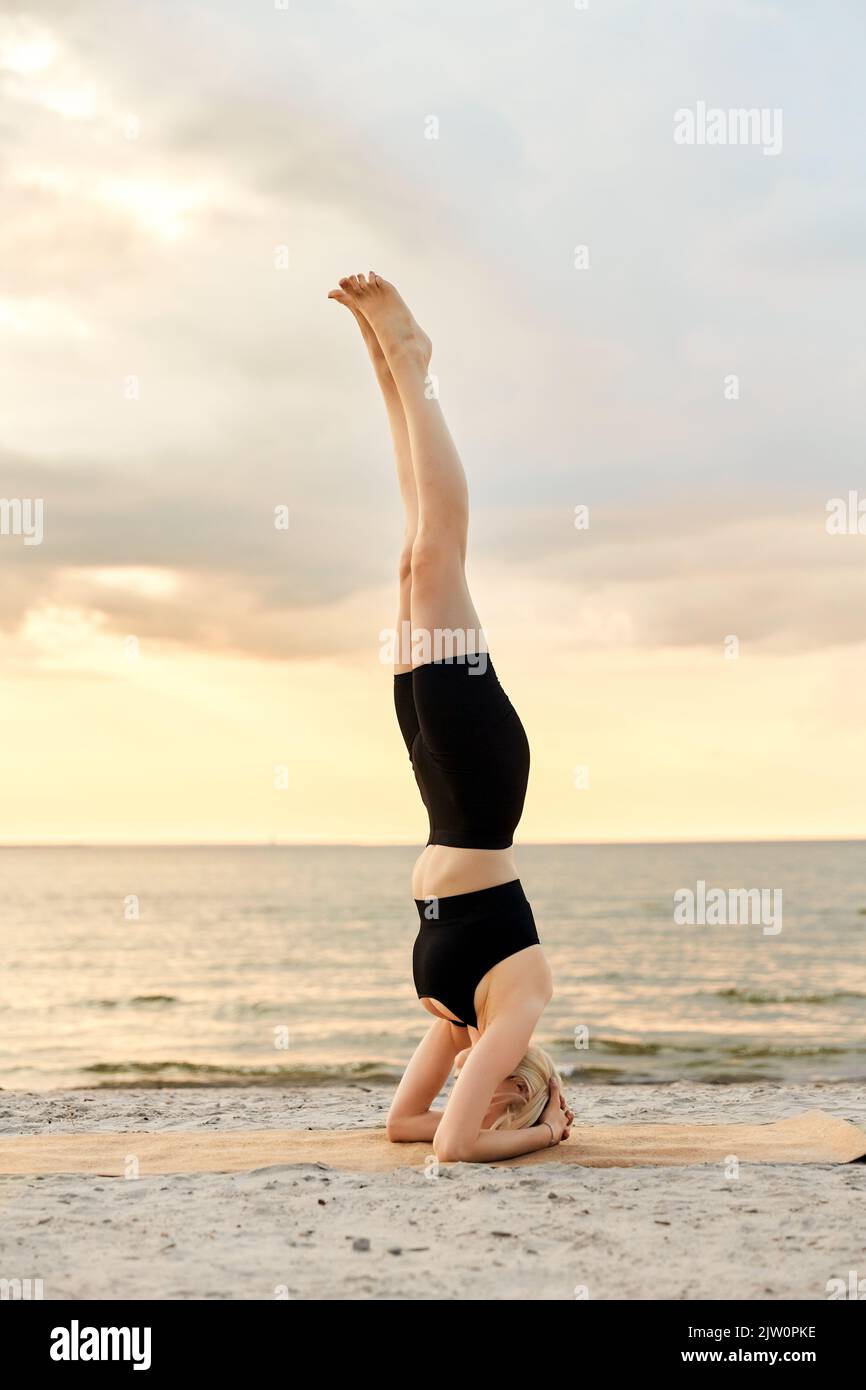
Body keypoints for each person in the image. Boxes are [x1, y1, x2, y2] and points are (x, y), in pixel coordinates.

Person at [329, 273, 573, 1162]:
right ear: (526, 1079)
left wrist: (490, 1116)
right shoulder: (519, 1006)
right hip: (480, 785)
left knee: (409, 561)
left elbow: (407, 1129)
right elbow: (453, 1152)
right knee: (439, 555)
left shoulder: (452, 1013)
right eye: (509, 1094)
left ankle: (387, 370)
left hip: (443, 795)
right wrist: (545, 1129)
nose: (486, 1091)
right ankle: (413, 362)